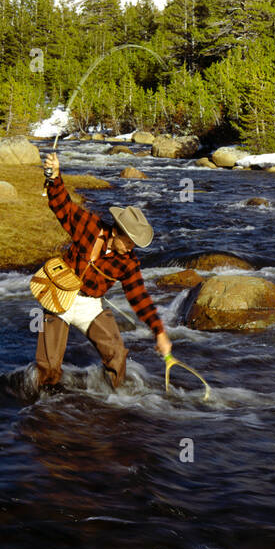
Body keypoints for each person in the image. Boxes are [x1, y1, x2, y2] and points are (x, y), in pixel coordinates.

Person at [37, 151, 173, 388]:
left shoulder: (128, 261)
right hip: (59, 296)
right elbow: (61, 205)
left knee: (117, 356)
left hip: (90, 306)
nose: (132, 248)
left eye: (135, 244)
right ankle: (45, 410)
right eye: (129, 241)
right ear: (116, 232)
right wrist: (54, 175)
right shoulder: (89, 226)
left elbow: (139, 298)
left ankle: (111, 402)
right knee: (48, 368)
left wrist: (159, 332)